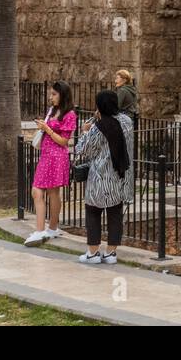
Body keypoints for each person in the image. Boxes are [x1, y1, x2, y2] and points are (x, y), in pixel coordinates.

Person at [73, 89, 133, 264]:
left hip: (101, 176)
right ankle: (111, 253)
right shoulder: (127, 122)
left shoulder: (98, 128)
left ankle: (92, 253)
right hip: (120, 174)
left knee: (93, 212)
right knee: (115, 213)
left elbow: (82, 150)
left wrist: (85, 131)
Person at [25, 80, 77, 245]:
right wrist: (43, 127)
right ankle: (49, 229)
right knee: (45, 192)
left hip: (56, 156)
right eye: (51, 94)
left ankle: (43, 230)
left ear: (63, 95)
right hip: (46, 154)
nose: (51, 97)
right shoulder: (52, 110)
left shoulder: (69, 115)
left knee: (42, 191)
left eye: (54, 94)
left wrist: (48, 129)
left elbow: (64, 141)